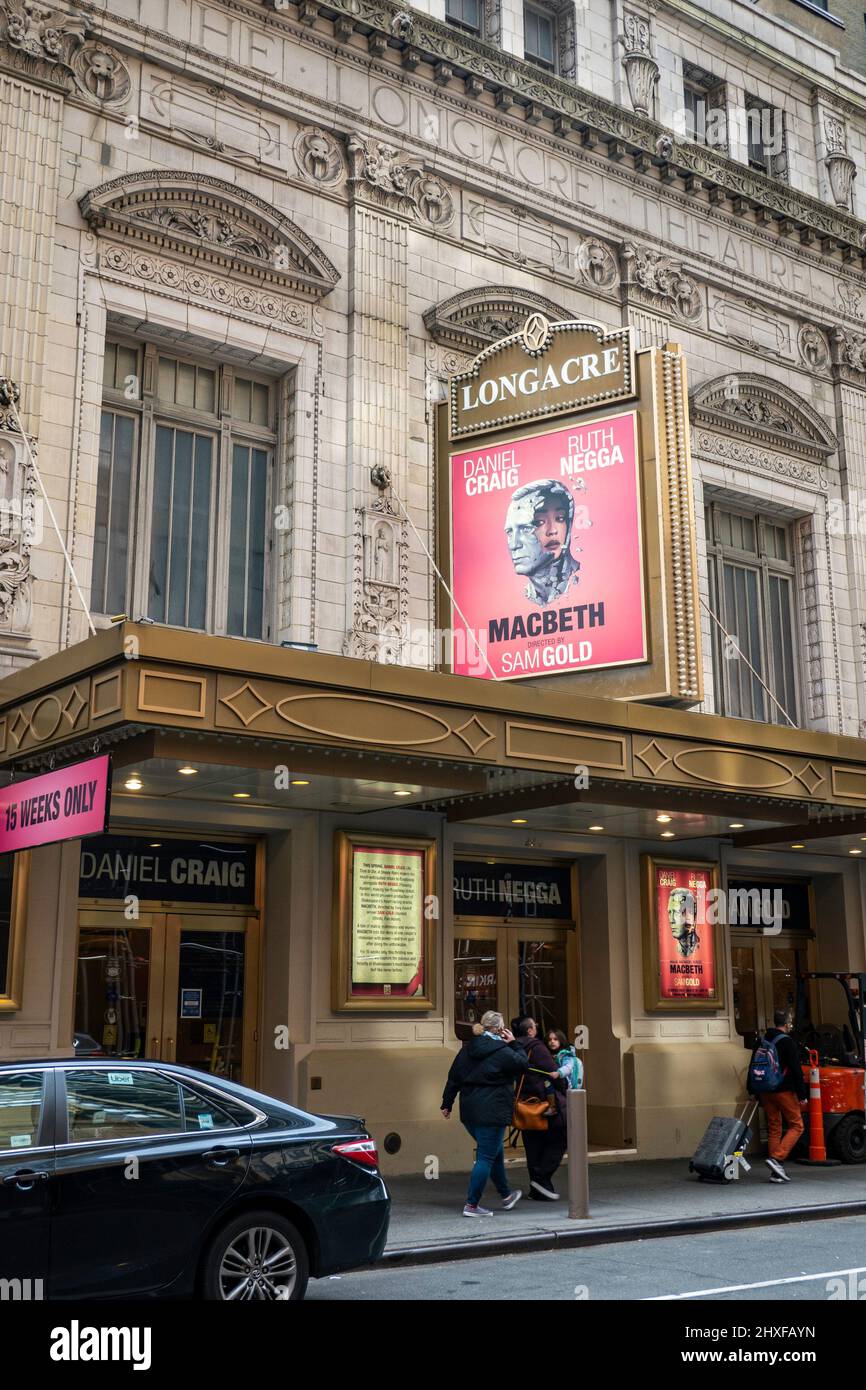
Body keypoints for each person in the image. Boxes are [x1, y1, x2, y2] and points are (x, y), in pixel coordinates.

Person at [441, 1010, 530, 1217]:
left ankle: (506, 1195)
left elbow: (454, 1077)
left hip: (470, 1111)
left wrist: (447, 1103)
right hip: (492, 1111)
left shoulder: (467, 1049)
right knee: (486, 1156)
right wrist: (514, 1042)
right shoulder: (502, 1051)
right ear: (500, 1029)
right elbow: (523, 1064)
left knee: (493, 1151)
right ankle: (472, 1205)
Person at [747, 1008, 808, 1183]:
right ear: (787, 1023)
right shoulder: (787, 1042)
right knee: (797, 1126)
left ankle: (776, 1171)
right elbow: (796, 1069)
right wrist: (802, 1093)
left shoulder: (762, 1039)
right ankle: (777, 1159)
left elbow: (752, 1065)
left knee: (774, 1127)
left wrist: (752, 1089)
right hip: (784, 1090)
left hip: (765, 1090)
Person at [512, 1016, 568, 1199]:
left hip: (524, 1104)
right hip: (543, 1103)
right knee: (559, 1139)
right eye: (534, 1025)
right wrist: (565, 1089)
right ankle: (542, 1179)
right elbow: (553, 1072)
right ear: (529, 1031)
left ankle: (538, 1189)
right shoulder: (535, 1047)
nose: (536, 1027)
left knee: (533, 1144)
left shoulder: (511, 1047)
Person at [504, 480, 582, 607]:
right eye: (510, 532)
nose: (514, 545)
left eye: (560, 518)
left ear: (569, 524)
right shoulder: (516, 602)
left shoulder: (585, 581)